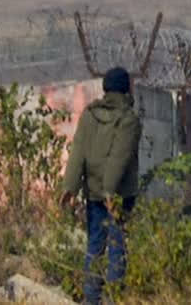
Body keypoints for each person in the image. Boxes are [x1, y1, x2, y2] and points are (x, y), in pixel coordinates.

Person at [59, 67, 142, 305]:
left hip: (94, 193)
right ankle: (114, 298)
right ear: (126, 89)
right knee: (117, 244)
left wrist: (70, 188)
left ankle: (91, 298)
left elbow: (78, 153)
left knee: (94, 244)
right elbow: (119, 158)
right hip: (117, 195)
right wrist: (110, 193)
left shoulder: (90, 115)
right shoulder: (128, 120)